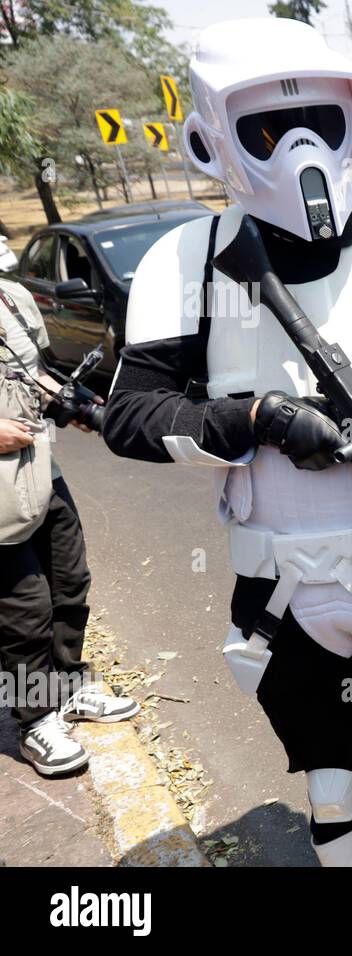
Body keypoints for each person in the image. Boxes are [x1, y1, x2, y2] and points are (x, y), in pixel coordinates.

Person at [103, 17, 352, 867]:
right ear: (212, 138)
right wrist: (253, 422)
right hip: (284, 598)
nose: (296, 146)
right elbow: (131, 416)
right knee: (334, 790)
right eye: (264, 126)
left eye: (318, 121)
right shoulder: (185, 264)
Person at [0, 278, 138, 777]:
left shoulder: (11, 297)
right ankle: (35, 719)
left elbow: (31, 372)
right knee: (22, 612)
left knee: (69, 583)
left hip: (41, 470)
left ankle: (71, 688)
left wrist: (76, 405)